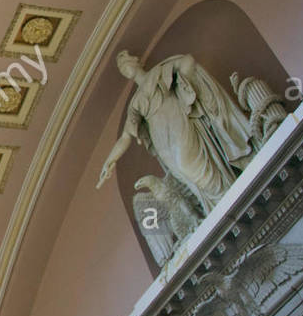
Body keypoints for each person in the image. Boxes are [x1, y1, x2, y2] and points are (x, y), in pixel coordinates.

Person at [96, 50, 255, 214]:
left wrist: (186, 83)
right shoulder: (135, 103)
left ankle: (226, 195)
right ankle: (218, 207)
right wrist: (108, 161)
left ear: (137, 61)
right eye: (121, 68)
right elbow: (125, 136)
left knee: (188, 163)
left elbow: (187, 62)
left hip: (176, 121)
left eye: (124, 61)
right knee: (185, 174)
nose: (123, 67)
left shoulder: (159, 72)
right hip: (161, 141)